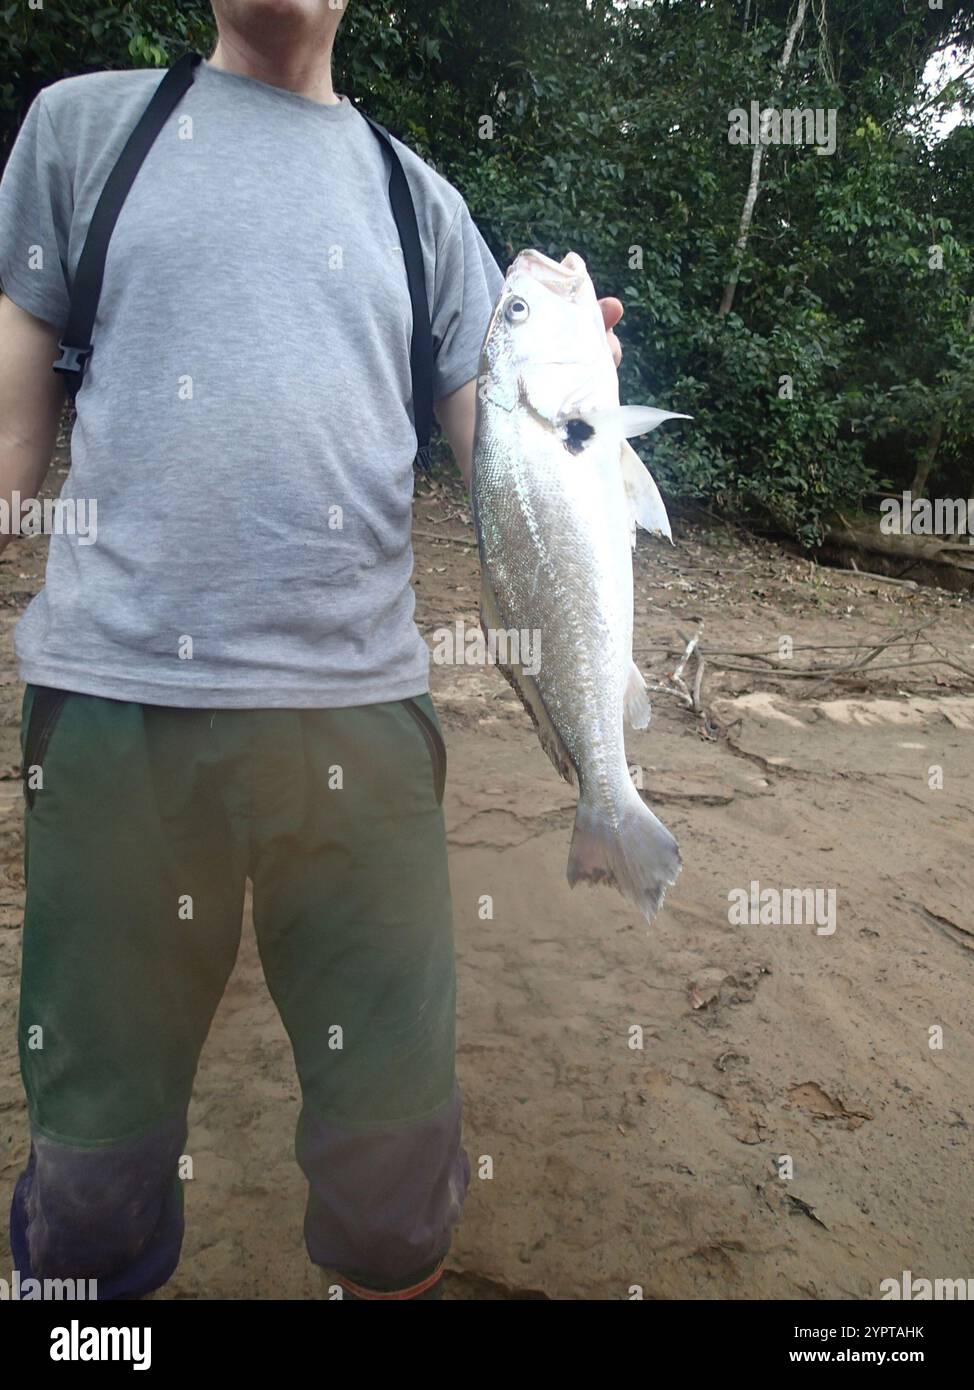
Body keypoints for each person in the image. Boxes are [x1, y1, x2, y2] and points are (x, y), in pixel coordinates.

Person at [0, 0, 624, 1301]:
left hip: (363, 733)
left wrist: (582, 410)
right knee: (92, 1200)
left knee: (395, 1195)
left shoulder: (423, 207)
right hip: (115, 723)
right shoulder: (83, 133)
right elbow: (8, 458)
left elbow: (507, 469)